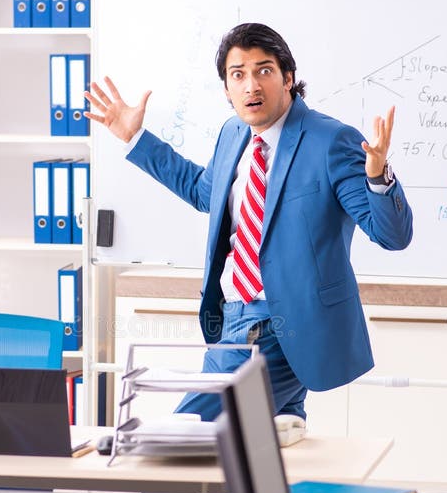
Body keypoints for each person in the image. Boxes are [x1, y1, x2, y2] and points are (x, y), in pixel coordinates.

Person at [85, 23, 413, 422]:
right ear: (226, 88)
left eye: (264, 71)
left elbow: (392, 235)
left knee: (187, 431)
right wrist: (136, 137)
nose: (251, 86)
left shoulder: (331, 140)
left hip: (284, 323)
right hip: (231, 318)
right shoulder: (233, 133)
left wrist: (378, 176)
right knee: (265, 448)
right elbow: (203, 192)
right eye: (238, 75)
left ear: (288, 77)